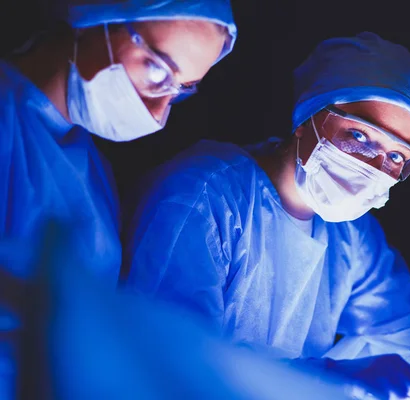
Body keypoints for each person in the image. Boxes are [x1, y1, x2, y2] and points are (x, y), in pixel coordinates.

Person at [123, 32, 410, 399]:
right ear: (307, 117)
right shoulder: (203, 196)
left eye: (396, 157)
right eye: (360, 137)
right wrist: (327, 382)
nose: (374, 167)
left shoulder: (352, 238)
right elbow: (172, 363)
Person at [0, 1, 237, 398]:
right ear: (97, 18)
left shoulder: (90, 169)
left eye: (181, 91)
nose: (161, 112)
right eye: (158, 70)